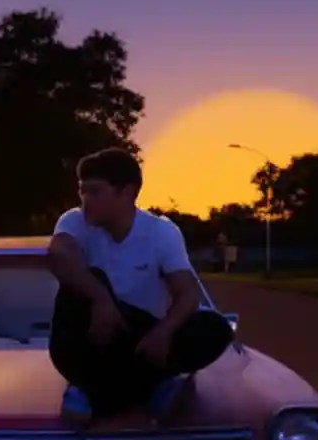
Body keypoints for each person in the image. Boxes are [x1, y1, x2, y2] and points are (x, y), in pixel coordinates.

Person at [47, 147, 234, 424]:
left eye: (95, 191)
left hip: (144, 337)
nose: (86, 200)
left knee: (214, 328)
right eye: (82, 191)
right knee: (81, 284)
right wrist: (100, 299)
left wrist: (164, 331)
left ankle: (103, 393)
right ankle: (138, 388)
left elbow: (187, 292)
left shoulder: (161, 231)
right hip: (96, 338)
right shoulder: (74, 221)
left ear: (127, 192)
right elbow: (58, 256)